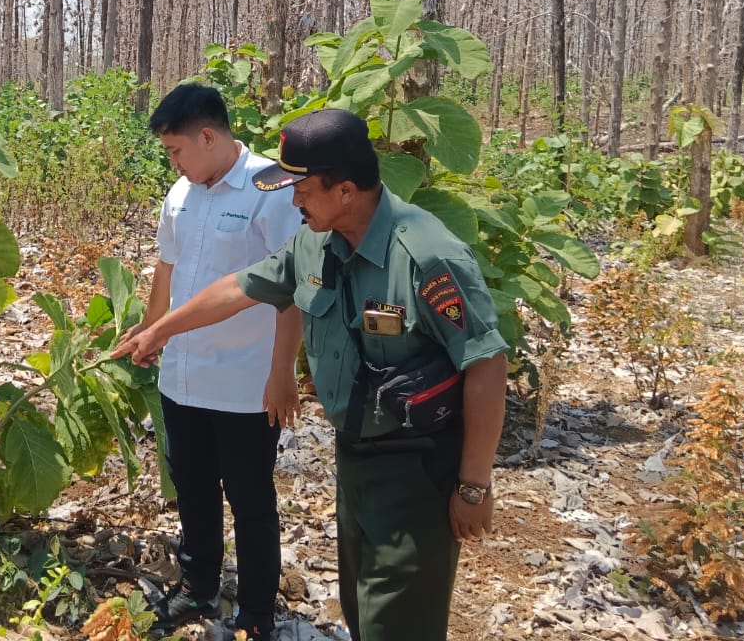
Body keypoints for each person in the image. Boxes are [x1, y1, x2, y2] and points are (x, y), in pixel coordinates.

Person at [115, 108, 509, 641]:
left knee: (399, 618)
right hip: (355, 458)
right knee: (362, 606)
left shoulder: (425, 255)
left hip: (419, 468)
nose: (294, 201)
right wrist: (160, 330)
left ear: (345, 190)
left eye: (302, 190)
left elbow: (485, 364)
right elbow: (238, 289)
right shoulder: (317, 243)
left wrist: (473, 485)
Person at [131, 84, 304, 641]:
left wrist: (283, 372)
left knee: (250, 498)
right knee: (194, 487)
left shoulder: (270, 190)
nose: (174, 163)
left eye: (177, 150)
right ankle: (199, 585)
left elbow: (291, 288)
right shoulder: (181, 193)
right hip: (182, 376)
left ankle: (256, 613)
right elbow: (168, 265)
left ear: (208, 136)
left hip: (245, 382)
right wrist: (149, 329)